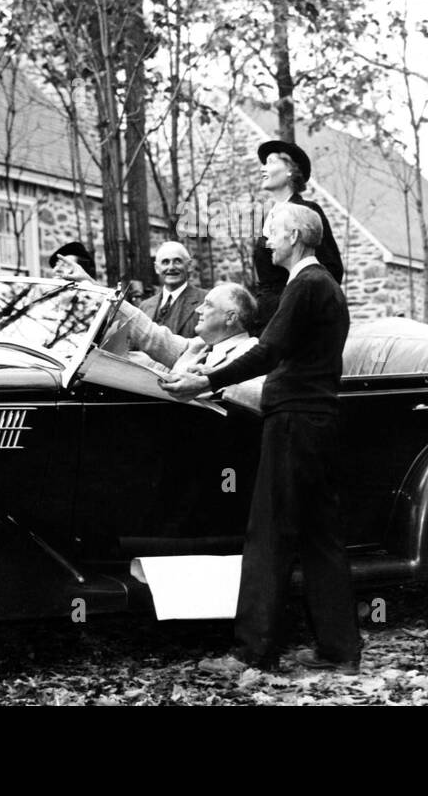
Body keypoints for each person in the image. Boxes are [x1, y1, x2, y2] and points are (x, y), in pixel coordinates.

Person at [161, 202, 359, 675]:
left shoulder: (307, 284)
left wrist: (204, 383)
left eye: (272, 232)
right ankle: (339, 650)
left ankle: (252, 653)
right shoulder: (325, 286)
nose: (266, 240)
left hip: (292, 422)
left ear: (295, 236)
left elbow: (268, 351)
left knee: (268, 534)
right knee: (320, 538)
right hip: (318, 422)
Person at [251, 140, 343, 332]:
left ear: (291, 170)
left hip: (296, 318)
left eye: (271, 162)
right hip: (265, 318)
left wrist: (297, 305)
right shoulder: (265, 218)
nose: (263, 169)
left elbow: (332, 269)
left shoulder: (308, 212)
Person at [117, 283, 259, 375]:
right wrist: (113, 301)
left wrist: (210, 380)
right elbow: (151, 335)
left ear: (230, 318)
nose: (198, 309)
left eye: (208, 305)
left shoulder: (252, 351)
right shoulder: (199, 346)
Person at [139, 241, 206, 338]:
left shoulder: (204, 301)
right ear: (157, 268)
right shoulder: (145, 307)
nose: (171, 267)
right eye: (165, 262)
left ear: (189, 266)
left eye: (177, 261)